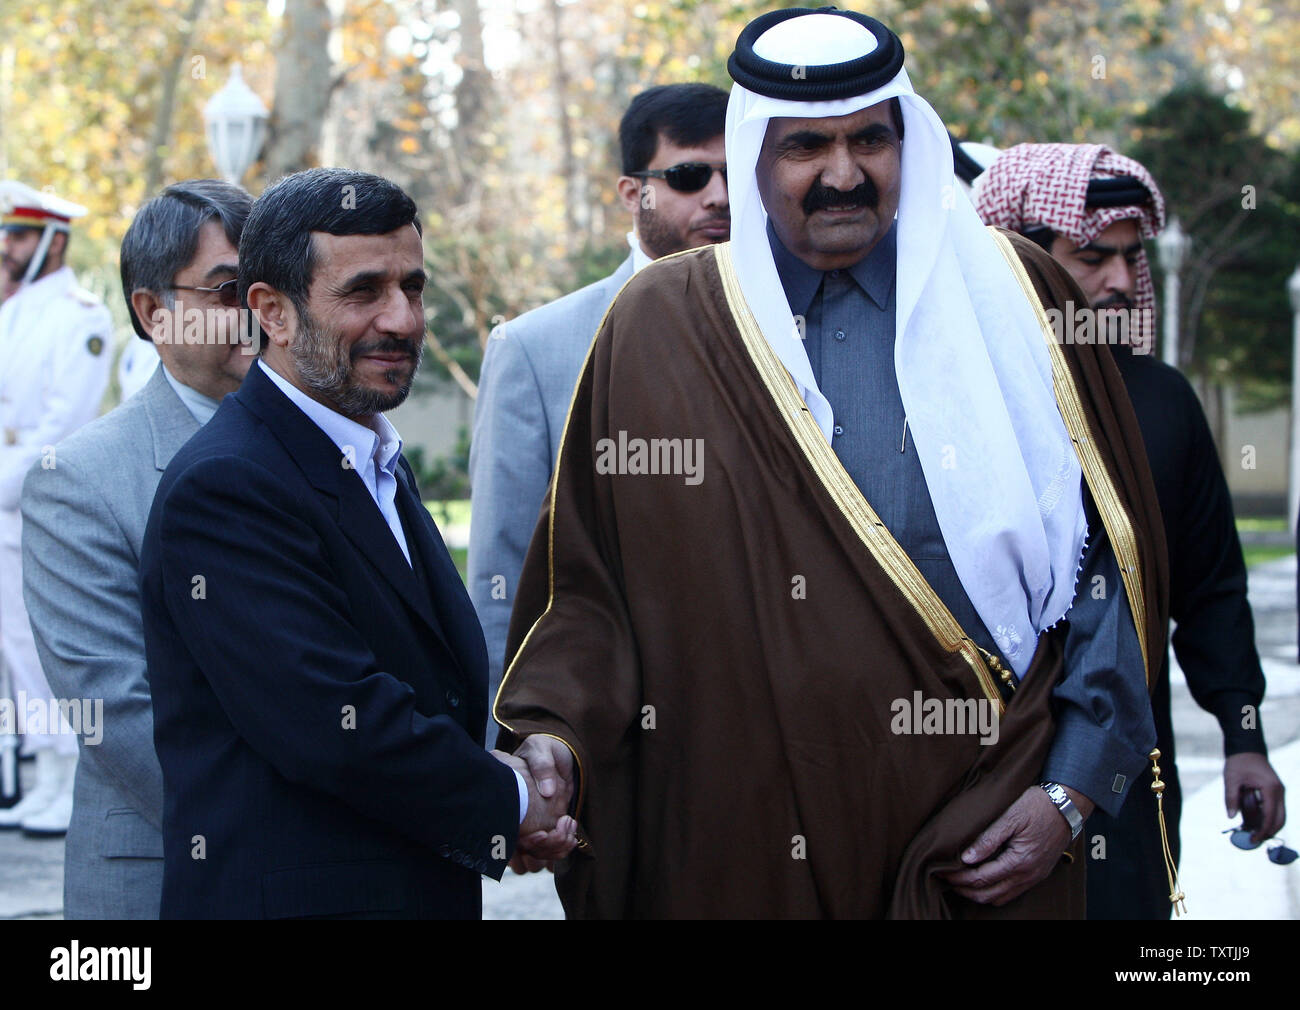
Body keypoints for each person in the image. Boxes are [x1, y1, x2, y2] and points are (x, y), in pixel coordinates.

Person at [495, 6, 1171, 919]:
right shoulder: (661, 324)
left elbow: (1105, 567)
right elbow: (591, 587)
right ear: (753, 156)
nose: (843, 174)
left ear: (907, 144)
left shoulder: (1016, 293)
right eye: (805, 145)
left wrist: (1072, 790)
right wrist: (553, 742)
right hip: (744, 843)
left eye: (870, 141)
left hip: (987, 831)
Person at [138, 169, 574, 919]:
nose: (403, 320)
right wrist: (508, 799)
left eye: (413, 286)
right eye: (364, 291)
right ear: (270, 311)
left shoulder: (370, 452)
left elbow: (424, 677)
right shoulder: (228, 486)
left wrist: (515, 764)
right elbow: (333, 726)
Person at [975, 142, 1287, 918]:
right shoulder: (958, 400)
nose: (1118, 281)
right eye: (1091, 257)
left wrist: (1243, 731)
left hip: (1126, 767)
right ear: (1017, 256)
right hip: (973, 763)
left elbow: (1211, 588)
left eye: (1129, 257)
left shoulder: (1162, 401)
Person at [21, 180, 255, 916]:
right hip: (164, 876)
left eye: (269, 284)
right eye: (227, 291)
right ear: (154, 313)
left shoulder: (341, 448)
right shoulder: (81, 482)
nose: (258, 311)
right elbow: (119, 715)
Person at [469, 82, 730, 719]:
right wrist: (517, 757)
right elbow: (502, 579)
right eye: (690, 175)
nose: (718, 195)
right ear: (631, 191)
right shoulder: (535, 349)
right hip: (603, 733)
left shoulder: (798, 331)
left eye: (734, 172)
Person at [0, 182, 112, 833]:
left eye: (17, 235)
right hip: (5, 504)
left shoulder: (80, 316)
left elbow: (57, 428)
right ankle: (42, 768)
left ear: (52, 239)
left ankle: (67, 773)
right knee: (15, 653)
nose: (7, 248)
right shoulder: (11, 312)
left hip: (40, 502)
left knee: (47, 650)